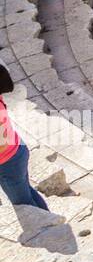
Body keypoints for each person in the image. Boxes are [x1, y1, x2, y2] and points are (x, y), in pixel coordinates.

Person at [0, 63, 49, 210]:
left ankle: (47, 229)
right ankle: (50, 219)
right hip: (17, 151)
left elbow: (1, 145)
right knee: (27, 192)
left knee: (25, 206)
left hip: (7, 163)